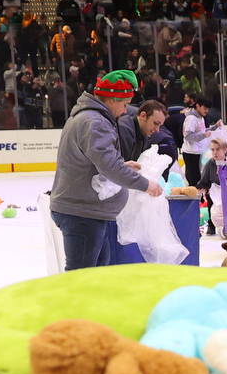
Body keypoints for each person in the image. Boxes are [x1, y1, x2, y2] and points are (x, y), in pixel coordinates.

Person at [49, 69, 162, 270]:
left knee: (98, 272)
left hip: (87, 212)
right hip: (82, 213)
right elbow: (109, 166)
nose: (126, 111)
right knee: (82, 276)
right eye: (125, 104)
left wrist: (121, 165)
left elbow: (96, 161)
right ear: (112, 100)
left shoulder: (90, 118)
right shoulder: (95, 122)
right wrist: (145, 185)